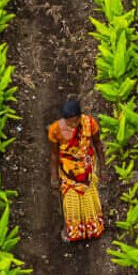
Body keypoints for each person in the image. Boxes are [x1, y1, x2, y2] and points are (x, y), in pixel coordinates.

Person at [49, 98, 105, 242]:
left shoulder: (90, 124)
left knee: (89, 203)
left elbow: (98, 145)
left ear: (80, 117)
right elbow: (54, 155)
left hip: (86, 171)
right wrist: (54, 177)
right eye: (69, 122)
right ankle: (72, 231)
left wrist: (102, 167)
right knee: (71, 205)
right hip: (69, 174)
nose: (72, 125)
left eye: (75, 121)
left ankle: (92, 229)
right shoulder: (56, 130)